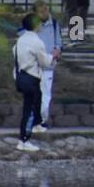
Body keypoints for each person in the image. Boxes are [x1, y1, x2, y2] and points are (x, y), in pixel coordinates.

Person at [13, 13, 58, 152]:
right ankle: (24, 140)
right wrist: (54, 57)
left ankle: (37, 125)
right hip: (31, 78)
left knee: (34, 103)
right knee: (29, 110)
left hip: (21, 76)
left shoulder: (20, 40)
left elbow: (14, 52)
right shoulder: (36, 42)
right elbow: (44, 61)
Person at [34, 2, 63, 131]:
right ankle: (35, 119)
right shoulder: (31, 25)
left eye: (46, 10)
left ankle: (42, 120)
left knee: (46, 94)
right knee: (34, 94)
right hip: (33, 66)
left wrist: (57, 50)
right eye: (41, 10)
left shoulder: (55, 24)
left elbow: (59, 42)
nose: (45, 12)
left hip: (48, 65)